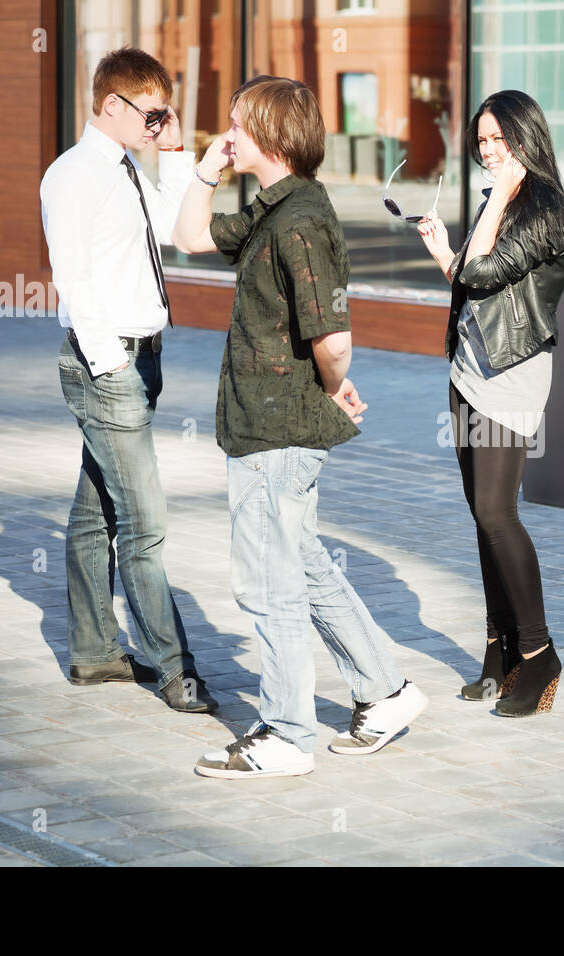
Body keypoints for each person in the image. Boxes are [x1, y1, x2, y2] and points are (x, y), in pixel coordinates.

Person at [172, 76, 426, 778]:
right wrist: (206, 169)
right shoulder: (270, 211)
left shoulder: (300, 221)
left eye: (237, 125)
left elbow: (334, 336)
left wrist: (333, 384)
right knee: (306, 568)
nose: (227, 134)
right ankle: (386, 693)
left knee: (267, 583)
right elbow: (189, 235)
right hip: (271, 422)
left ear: (274, 136)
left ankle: (286, 735)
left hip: (274, 431)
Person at [41, 47, 216, 714]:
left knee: (97, 513)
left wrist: (175, 149)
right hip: (108, 363)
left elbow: (178, 229)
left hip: (145, 358)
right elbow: (72, 276)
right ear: (111, 105)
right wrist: (109, 361)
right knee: (145, 521)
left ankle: (92, 654)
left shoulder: (130, 169)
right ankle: (176, 668)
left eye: (163, 114)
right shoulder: (73, 176)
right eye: (151, 114)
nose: (157, 125)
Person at [415, 90, 564, 717]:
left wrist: (501, 200)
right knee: (480, 517)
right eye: (481, 141)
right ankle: (498, 648)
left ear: (525, 138)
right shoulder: (498, 202)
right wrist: (441, 253)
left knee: (496, 511)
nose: (488, 152)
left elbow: (480, 274)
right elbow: (467, 276)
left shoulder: (546, 209)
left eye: (498, 140)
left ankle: (539, 655)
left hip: (510, 375)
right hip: (467, 369)